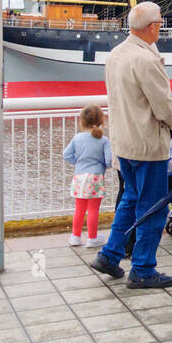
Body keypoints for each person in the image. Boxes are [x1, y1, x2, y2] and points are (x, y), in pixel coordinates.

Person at [91, 2, 172, 289]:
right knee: (153, 206)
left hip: (123, 142)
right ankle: (142, 267)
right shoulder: (147, 60)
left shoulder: (115, 55)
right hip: (147, 144)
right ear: (153, 26)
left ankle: (111, 253)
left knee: (130, 199)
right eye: (160, 23)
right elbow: (163, 105)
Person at [62, 105, 112, 248]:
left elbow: (66, 154)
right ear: (101, 120)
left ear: (82, 121)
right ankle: (92, 237)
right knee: (93, 208)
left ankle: (75, 237)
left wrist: (77, 163)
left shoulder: (77, 138)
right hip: (95, 176)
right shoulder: (104, 140)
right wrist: (101, 165)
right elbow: (109, 161)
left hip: (79, 176)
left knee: (79, 207)